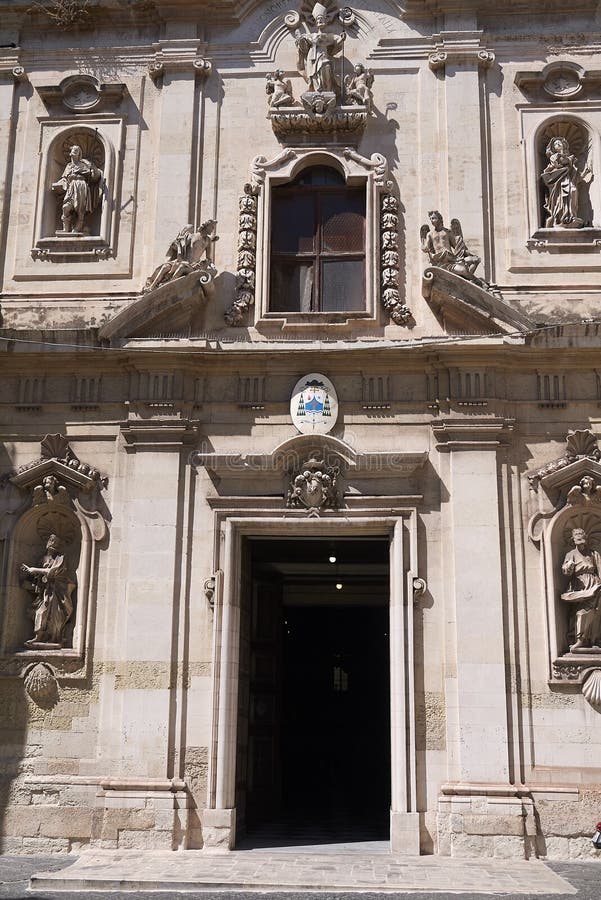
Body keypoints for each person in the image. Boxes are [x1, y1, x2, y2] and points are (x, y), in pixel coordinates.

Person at [20, 534, 76, 647]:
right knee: (40, 612)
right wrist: (30, 572)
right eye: (51, 540)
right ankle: (39, 636)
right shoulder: (43, 559)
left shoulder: (61, 558)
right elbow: (39, 577)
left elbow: (53, 572)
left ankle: (54, 638)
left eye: (55, 541)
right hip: (45, 592)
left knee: (55, 615)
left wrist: (35, 570)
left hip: (57, 592)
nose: (52, 543)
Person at [143, 220, 217, 293]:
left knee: (182, 267)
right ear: (206, 226)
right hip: (183, 261)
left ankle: (168, 284)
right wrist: (176, 245)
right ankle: (152, 287)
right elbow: (181, 247)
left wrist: (209, 265)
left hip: (192, 266)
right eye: (212, 227)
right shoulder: (192, 236)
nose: (212, 229)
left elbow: (208, 258)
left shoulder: (208, 241)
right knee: (165, 267)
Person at [561, 527, 601, 651]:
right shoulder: (570, 554)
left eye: (582, 536)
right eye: (577, 536)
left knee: (593, 612)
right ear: (573, 540)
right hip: (578, 586)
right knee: (578, 612)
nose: (580, 540)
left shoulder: (593, 553)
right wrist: (568, 567)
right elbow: (566, 571)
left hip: (594, 585)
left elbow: (600, 569)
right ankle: (580, 639)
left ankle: (592, 640)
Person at [295, 4, 346, 94]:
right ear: (316, 22)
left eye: (321, 18)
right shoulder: (311, 36)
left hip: (323, 55)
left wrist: (342, 38)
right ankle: (316, 89)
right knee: (314, 74)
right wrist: (300, 40)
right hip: (312, 57)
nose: (320, 20)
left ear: (325, 21)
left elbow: (338, 40)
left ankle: (326, 89)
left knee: (325, 66)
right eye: (318, 19)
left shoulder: (329, 36)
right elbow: (303, 46)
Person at [541, 136, 590, 228]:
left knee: (573, 191)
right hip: (557, 182)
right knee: (560, 199)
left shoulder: (570, 158)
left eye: (559, 142)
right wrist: (568, 161)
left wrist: (584, 173)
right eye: (555, 144)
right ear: (553, 148)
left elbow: (575, 174)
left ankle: (571, 216)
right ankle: (560, 218)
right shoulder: (554, 156)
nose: (558, 144)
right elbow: (560, 163)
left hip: (568, 179)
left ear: (564, 144)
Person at [52, 144, 102, 233]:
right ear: (70, 153)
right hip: (71, 187)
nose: (75, 151)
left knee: (80, 209)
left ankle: (78, 227)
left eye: (77, 151)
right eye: (74, 150)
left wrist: (91, 165)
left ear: (79, 154)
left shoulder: (84, 165)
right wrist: (59, 184)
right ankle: (66, 228)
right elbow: (64, 178)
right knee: (65, 207)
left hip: (81, 187)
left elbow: (95, 177)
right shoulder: (69, 166)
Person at [420, 210, 481, 279]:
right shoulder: (430, 234)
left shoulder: (448, 232)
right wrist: (424, 247)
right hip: (439, 261)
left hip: (451, 259)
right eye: (430, 219)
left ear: (439, 219)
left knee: (474, 261)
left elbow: (456, 246)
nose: (431, 220)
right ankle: (476, 281)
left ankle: (471, 280)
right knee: (463, 270)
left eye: (433, 218)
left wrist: (469, 253)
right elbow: (426, 247)